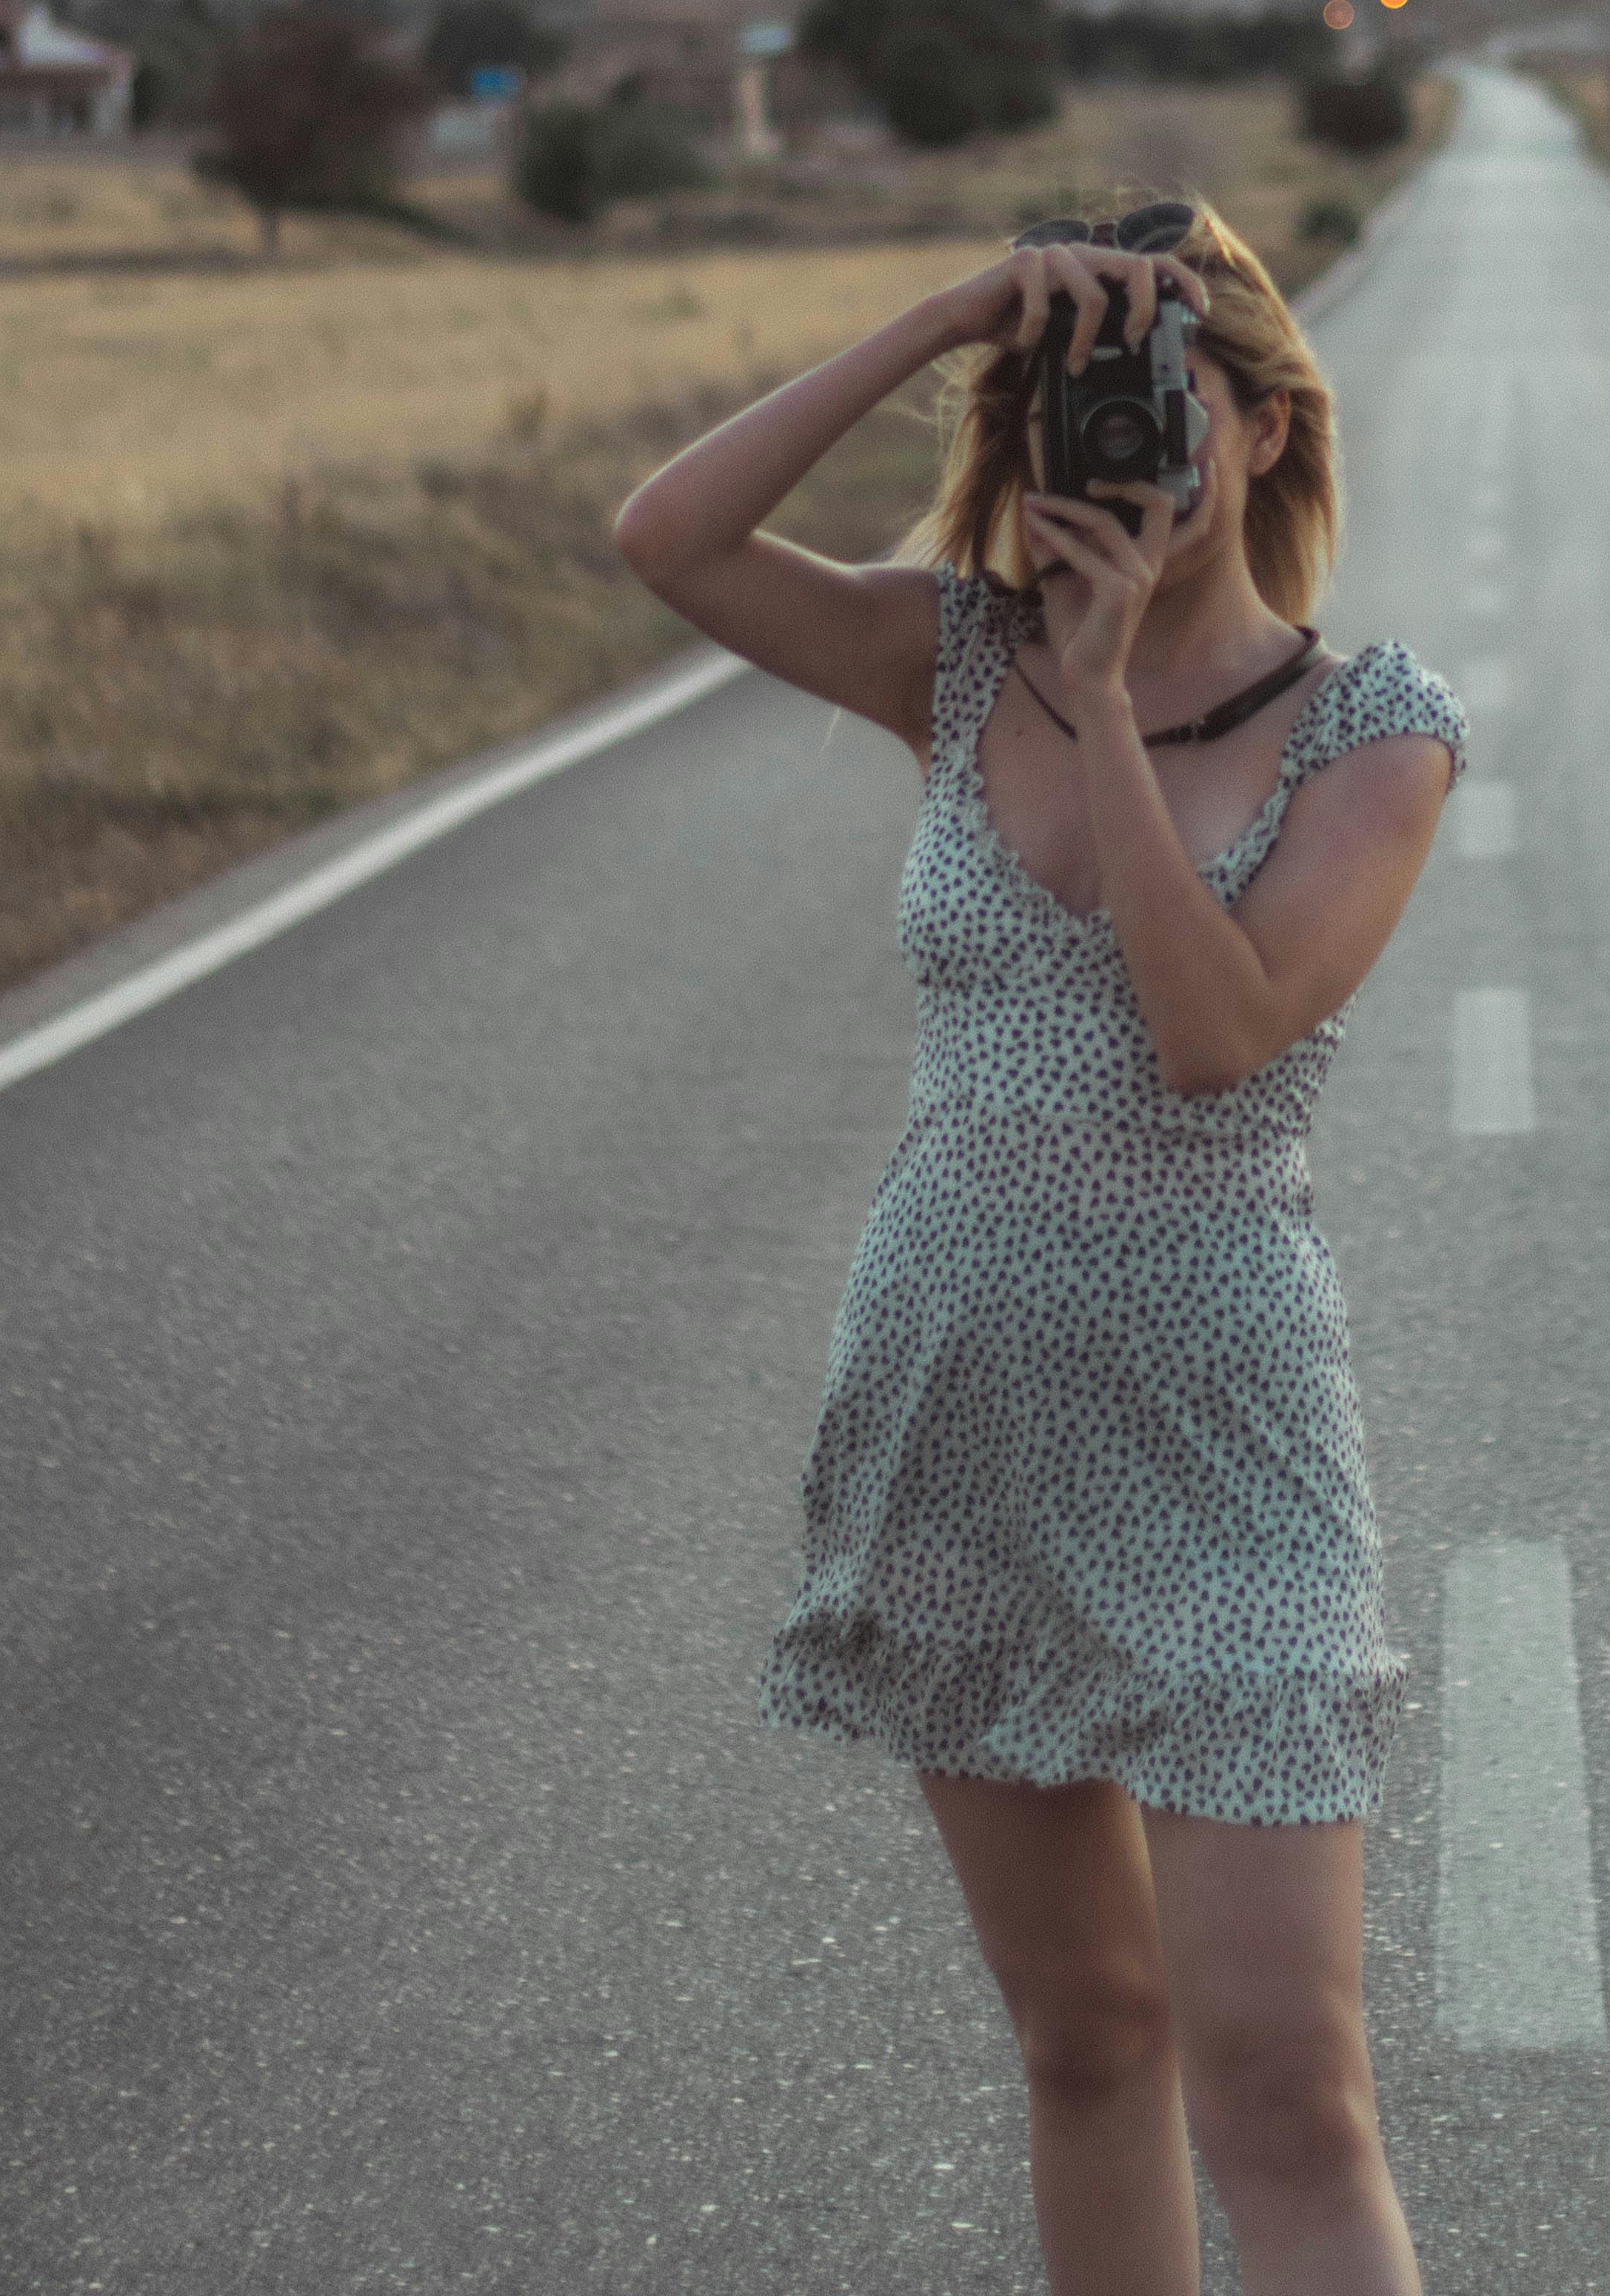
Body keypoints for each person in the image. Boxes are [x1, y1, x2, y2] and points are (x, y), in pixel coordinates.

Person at [612, 198, 1464, 2296]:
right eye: (1070, 402)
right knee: (1086, 2042)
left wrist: (1099, 704)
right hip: (957, 1410)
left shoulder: (1378, 726)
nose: (1119, 451)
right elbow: (668, 539)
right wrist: (948, 313)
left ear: (1263, 429)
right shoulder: (953, 651)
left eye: (1163, 404)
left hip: (1223, 1436)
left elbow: (1214, 1035)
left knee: (1286, 2091)